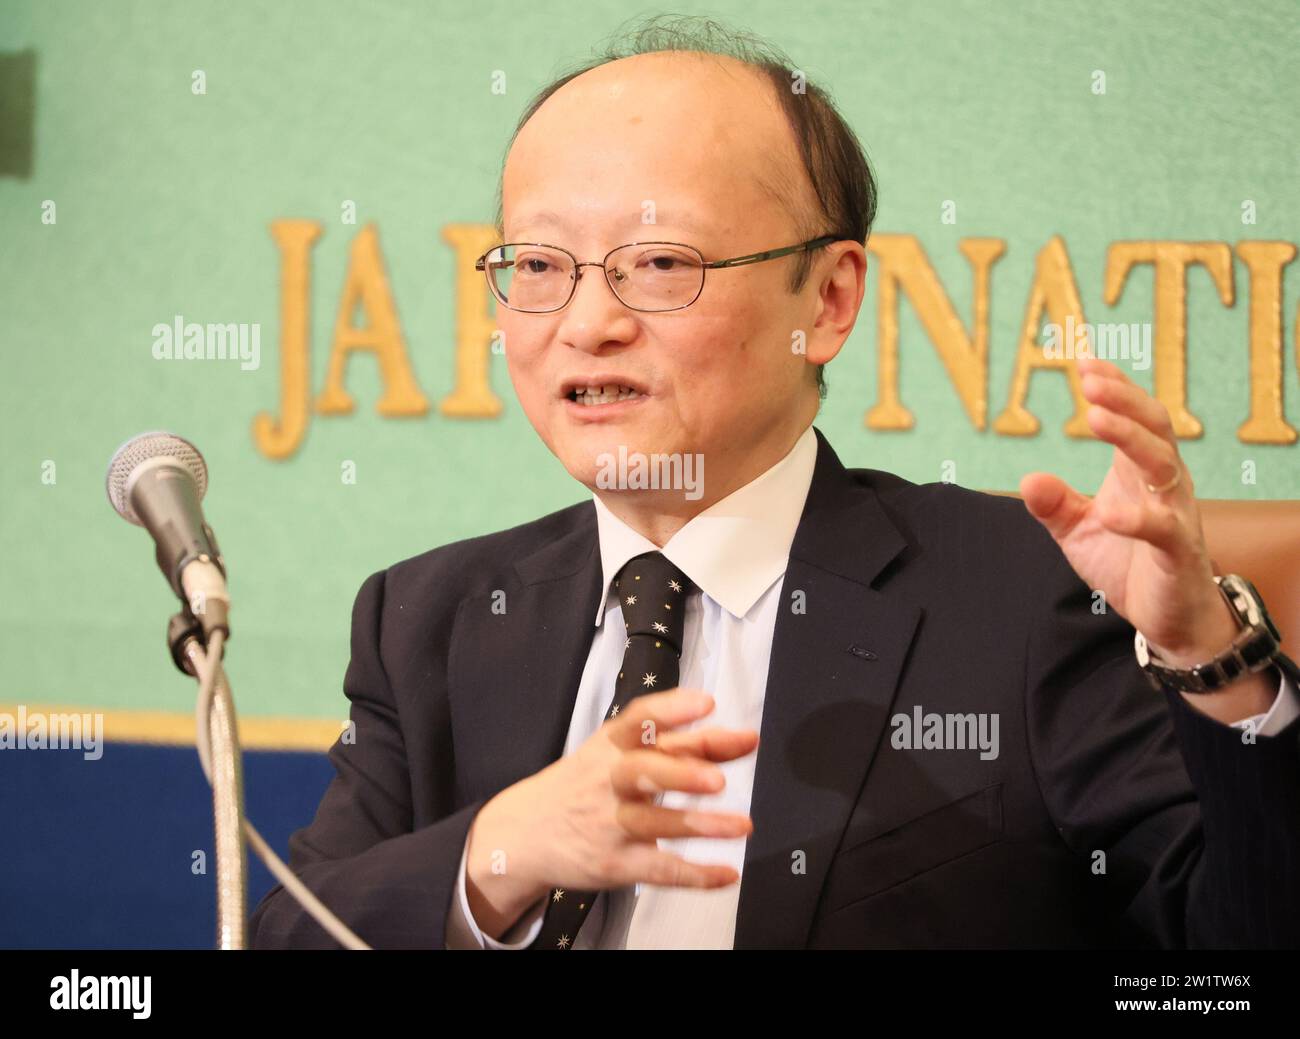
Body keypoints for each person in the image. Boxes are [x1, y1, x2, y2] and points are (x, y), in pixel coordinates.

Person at [250, 18, 1300, 950]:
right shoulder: (430, 618)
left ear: (830, 300)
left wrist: (1211, 655)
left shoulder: (1019, 593)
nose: (585, 321)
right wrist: (500, 851)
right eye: (536, 264)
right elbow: (295, 927)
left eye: (658, 262)